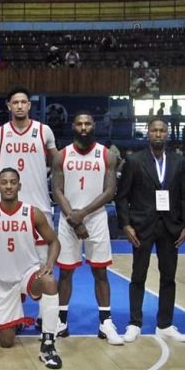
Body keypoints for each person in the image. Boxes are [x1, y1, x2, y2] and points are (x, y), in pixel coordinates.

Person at [0, 168, 63, 369]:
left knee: (49, 281)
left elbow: (54, 241)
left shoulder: (32, 213)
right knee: (6, 342)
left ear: (19, 186)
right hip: (3, 283)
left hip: (28, 274)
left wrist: (49, 264)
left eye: (13, 182)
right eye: (4, 182)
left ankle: (48, 344)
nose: (9, 186)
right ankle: (17, 319)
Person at [115, 118, 185, 343]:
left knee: (169, 277)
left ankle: (165, 324)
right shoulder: (134, 160)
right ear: (147, 133)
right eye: (154, 130)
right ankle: (135, 323)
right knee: (138, 276)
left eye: (162, 131)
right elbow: (122, 196)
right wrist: (126, 224)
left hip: (170, 227)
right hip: (141, 227)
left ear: (167, 134)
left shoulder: (179, 162)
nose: (158, 134)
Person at [51, 111, 123, 344]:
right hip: (67, 215)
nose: (83, 127)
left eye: (87, 123)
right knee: (66, 272)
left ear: (94, 125)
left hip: (95, 217)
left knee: (100, 272)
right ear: (73, 125)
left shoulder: (107, 155)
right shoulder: (61, 156)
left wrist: (82, 214)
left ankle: (105, 322)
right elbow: (57, 191)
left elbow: (110, 191)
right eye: (79, 123)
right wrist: (73, 216)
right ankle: (61, 320)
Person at [0, 87, 58, 264]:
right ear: (8, 106)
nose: (19, 106)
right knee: (11, 263)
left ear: (29, 105)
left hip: (39, 204)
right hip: (8, 209)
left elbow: (57, 163)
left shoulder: (44, 131)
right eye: (15, 103)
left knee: (42, 264)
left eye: (23, 102)